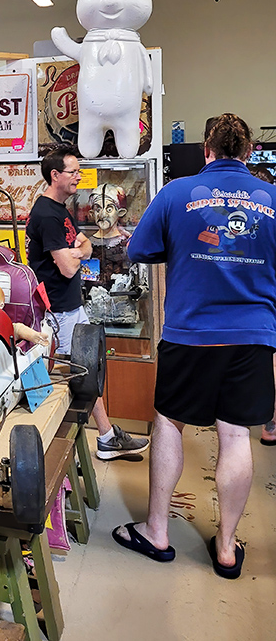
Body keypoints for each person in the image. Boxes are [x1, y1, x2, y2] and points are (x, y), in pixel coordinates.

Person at [112, 113, 276, 579]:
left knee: (169, 422)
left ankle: (158, 531)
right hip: (253, 335)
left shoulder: (175, 193)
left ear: (206, 150)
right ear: (248, 153)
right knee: (236, 434)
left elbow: (139, 250)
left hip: (189, 331)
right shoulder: (274, 199)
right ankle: (226, 547)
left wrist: (186, 245)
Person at [26, 143, 149, 460]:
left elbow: (85, 247)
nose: (79, 177)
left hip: (71, 305)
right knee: (70, 377)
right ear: (55, 175)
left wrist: (76, 253)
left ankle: (106, 436)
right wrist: (76, 255)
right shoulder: (46, 214)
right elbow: (68, 266)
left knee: (86, 371)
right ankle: (58, 450)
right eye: (73, 172)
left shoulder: (61, 210)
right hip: (57, 311)